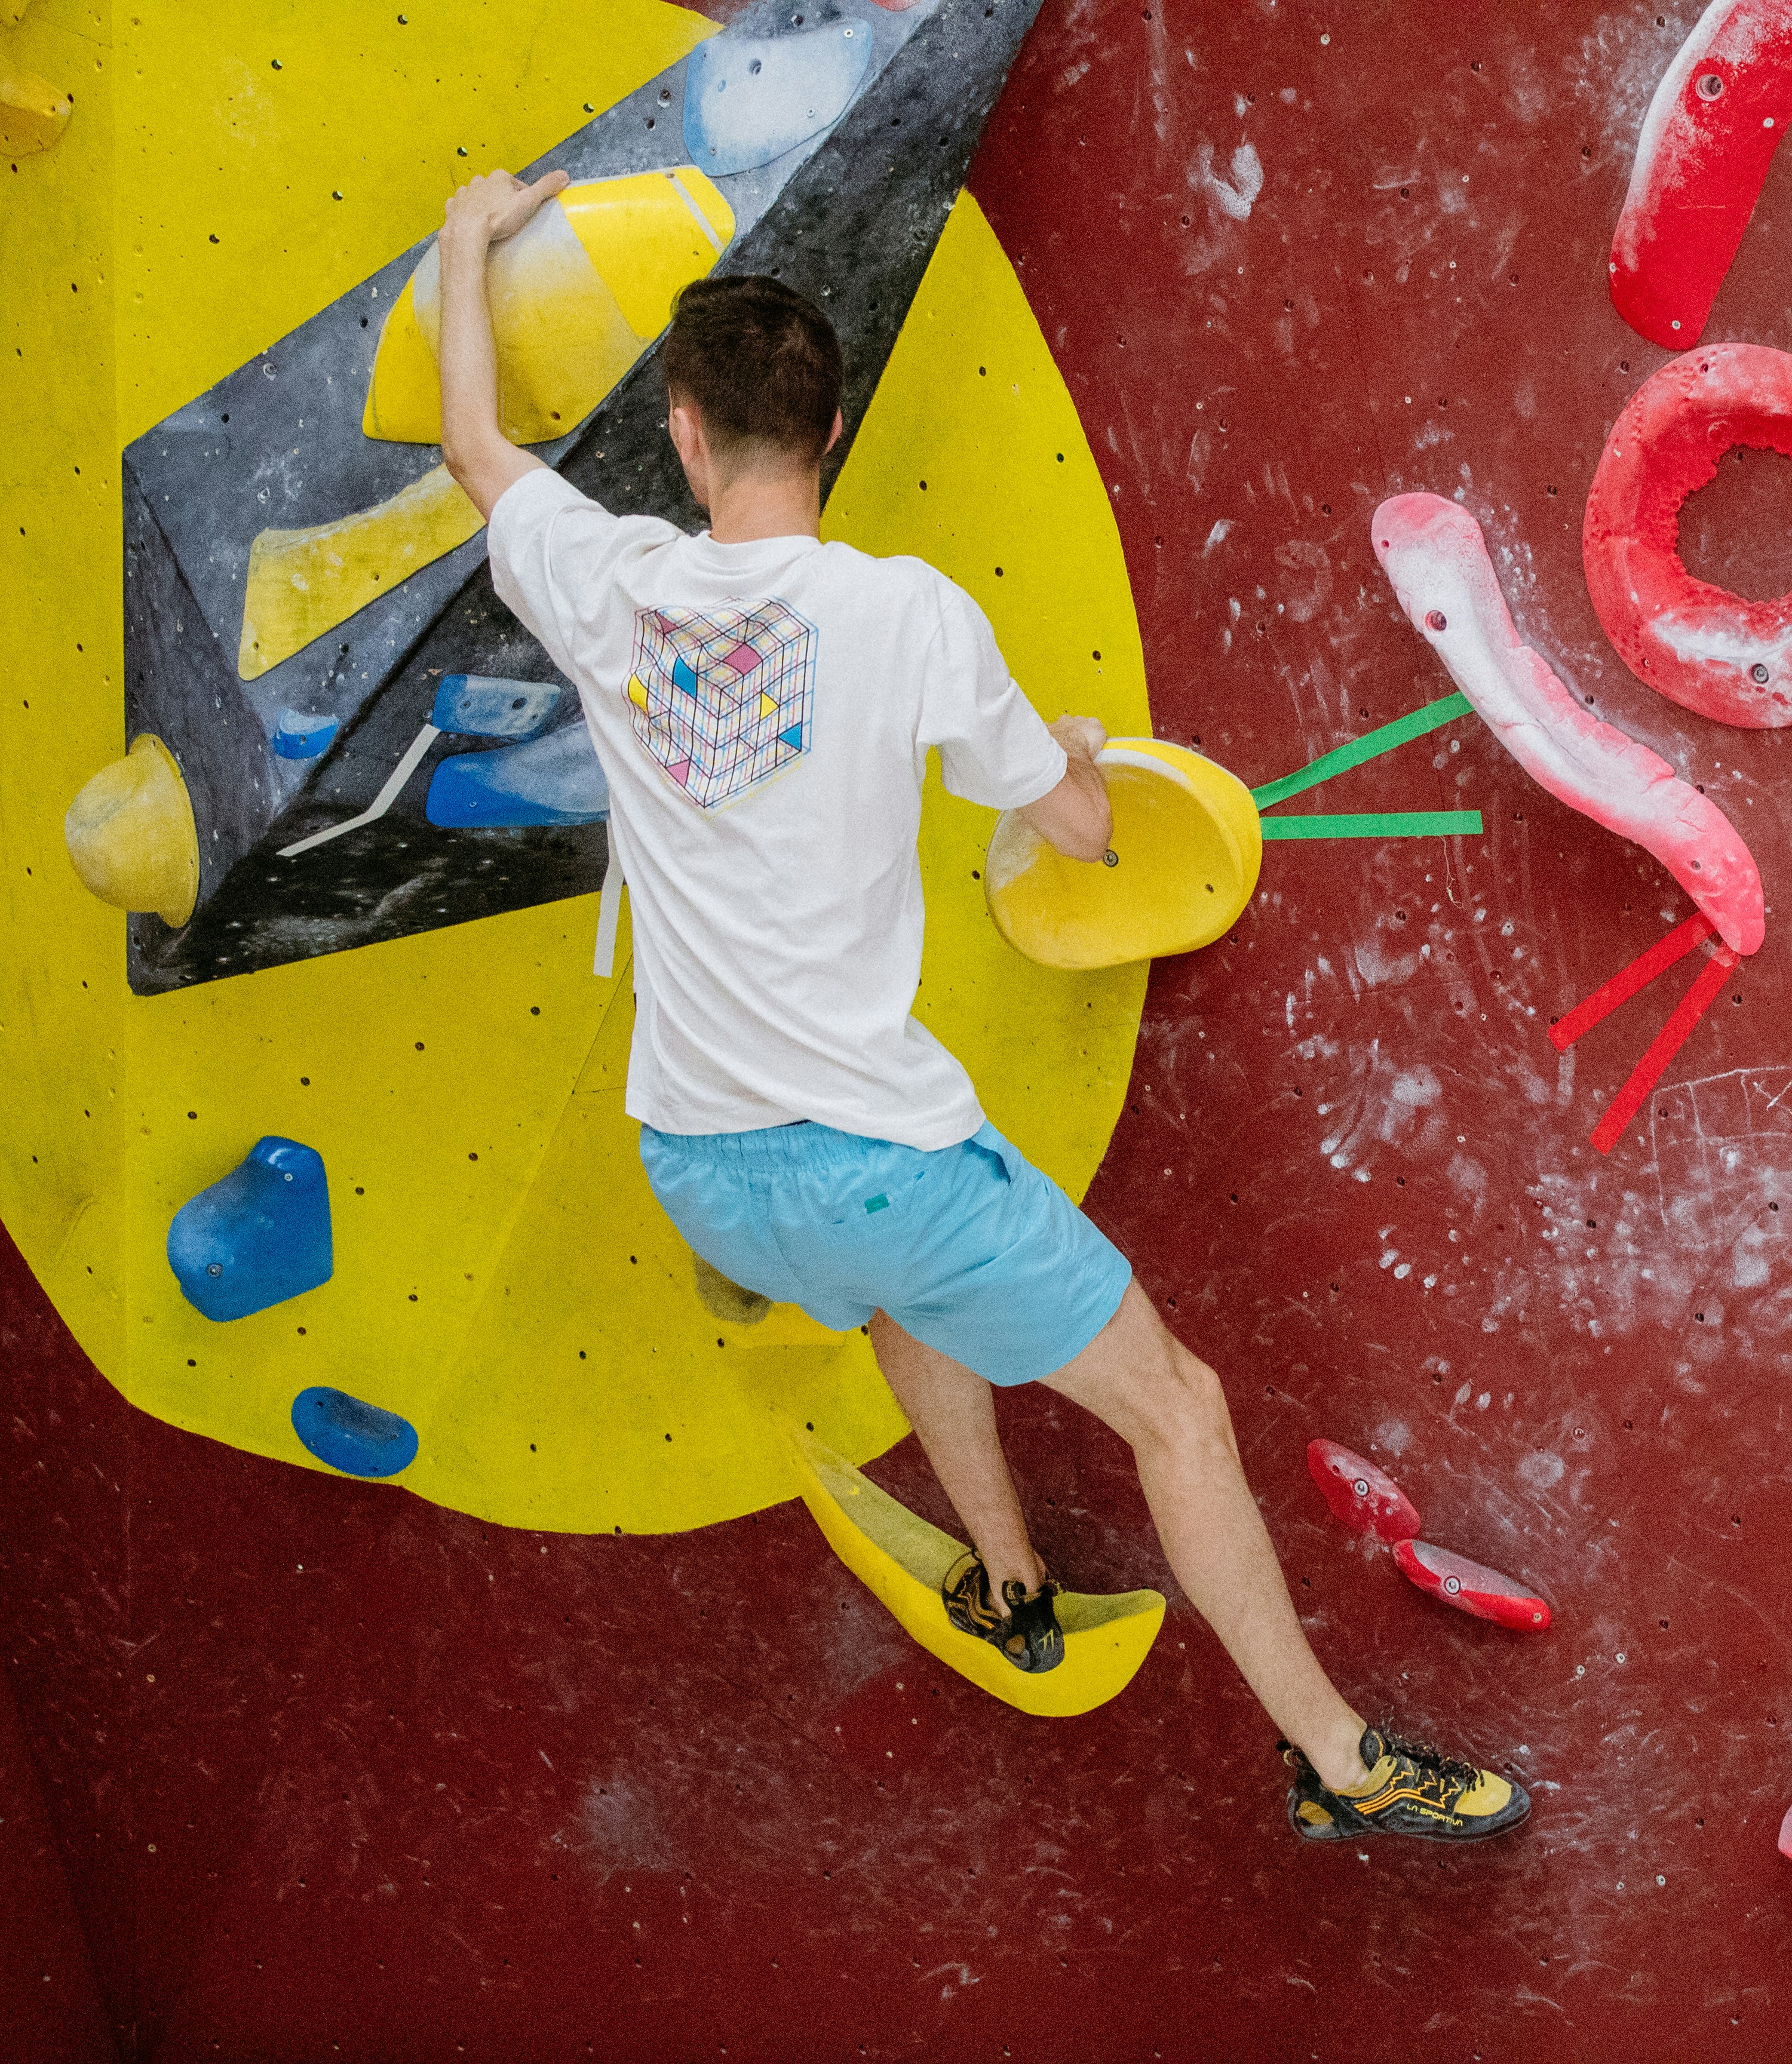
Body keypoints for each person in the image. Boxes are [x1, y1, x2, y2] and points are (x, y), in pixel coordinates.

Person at [434, 167, 1527, 1845]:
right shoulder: (907, 616)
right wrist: (1071, 760)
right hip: (878, 1162)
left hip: (703, 1173)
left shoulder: (615, 587)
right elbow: (1079, 830)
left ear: (684, 434)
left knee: (889, 1298)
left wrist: (463, 242)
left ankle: (1013, 1587)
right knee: (1183, 1412)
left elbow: (477, 454)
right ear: (836, 421)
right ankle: (1335, 1759)